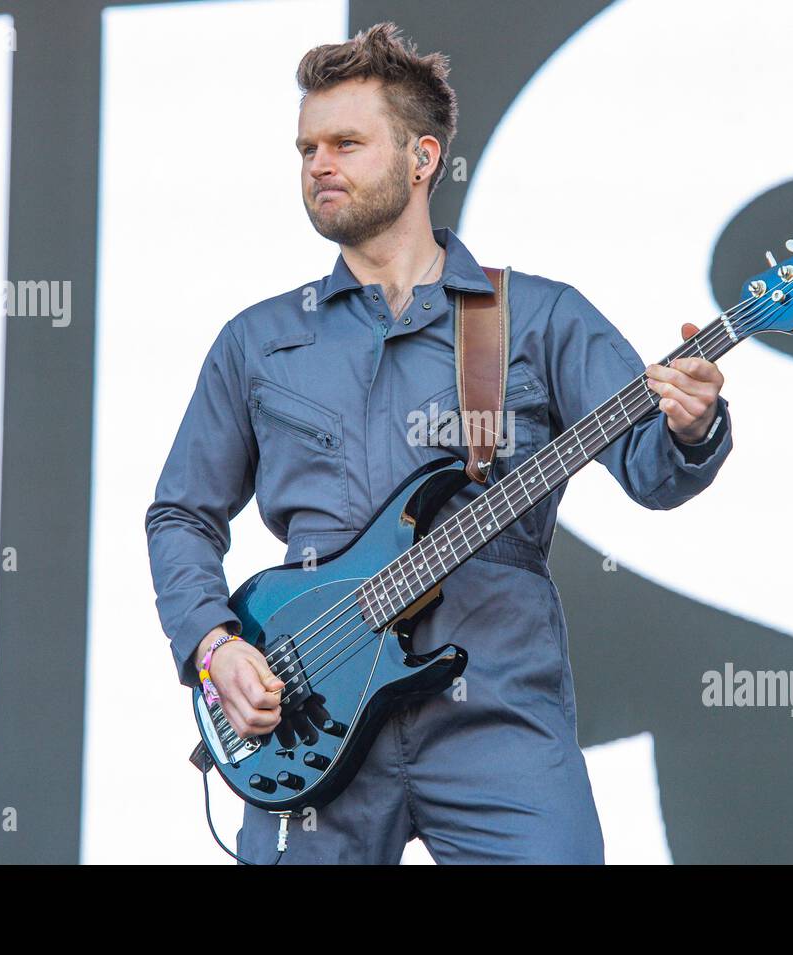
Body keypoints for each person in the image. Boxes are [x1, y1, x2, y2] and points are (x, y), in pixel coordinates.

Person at [146, 21, 732, 864]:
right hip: (307, 710)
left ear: (423, 159)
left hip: (498, 713)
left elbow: (651, 472)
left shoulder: (537, 317)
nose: (319, 164)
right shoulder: (258, 341)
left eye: (347, 142)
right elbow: (179, 514)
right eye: (307, 146)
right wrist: (215, 647)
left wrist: (691, 423)